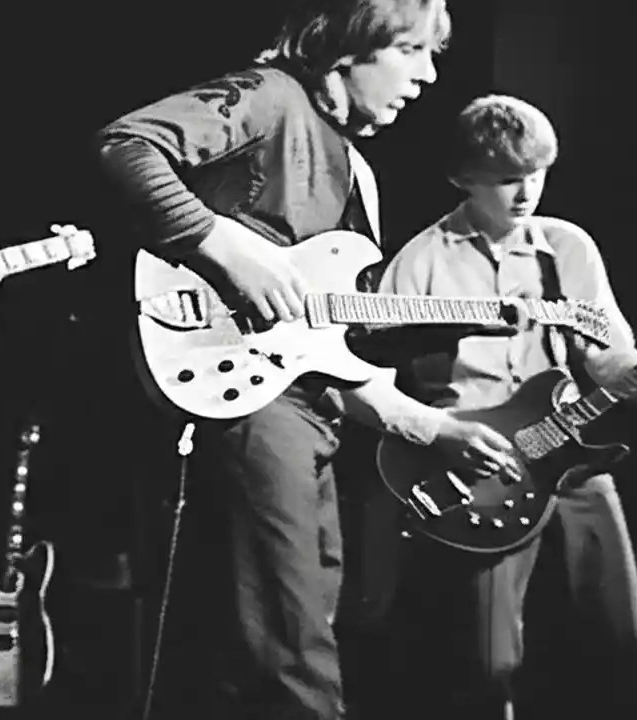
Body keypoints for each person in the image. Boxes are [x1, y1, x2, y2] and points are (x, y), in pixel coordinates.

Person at [93, 1, 525, 717]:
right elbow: (126, 144)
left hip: (308, 417)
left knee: (283, 643)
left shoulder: (358, 170)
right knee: (292, 662)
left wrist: (429, 426)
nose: (426, 76)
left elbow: (322, 351)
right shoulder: (271, 98)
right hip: (252, 414)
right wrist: (228, 249)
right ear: (351, 46)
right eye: (412, 51)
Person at [375, 93, 637, 720]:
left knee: (623, 640)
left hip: (570, 453)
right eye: (507, 179)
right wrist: (439, 433)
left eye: (537, 173)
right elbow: (372, 375)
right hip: (482, 468)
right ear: (461, 178)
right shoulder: (420, 260)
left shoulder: (567, 247)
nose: (527, 191)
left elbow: (607, 356)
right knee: (490, 662)